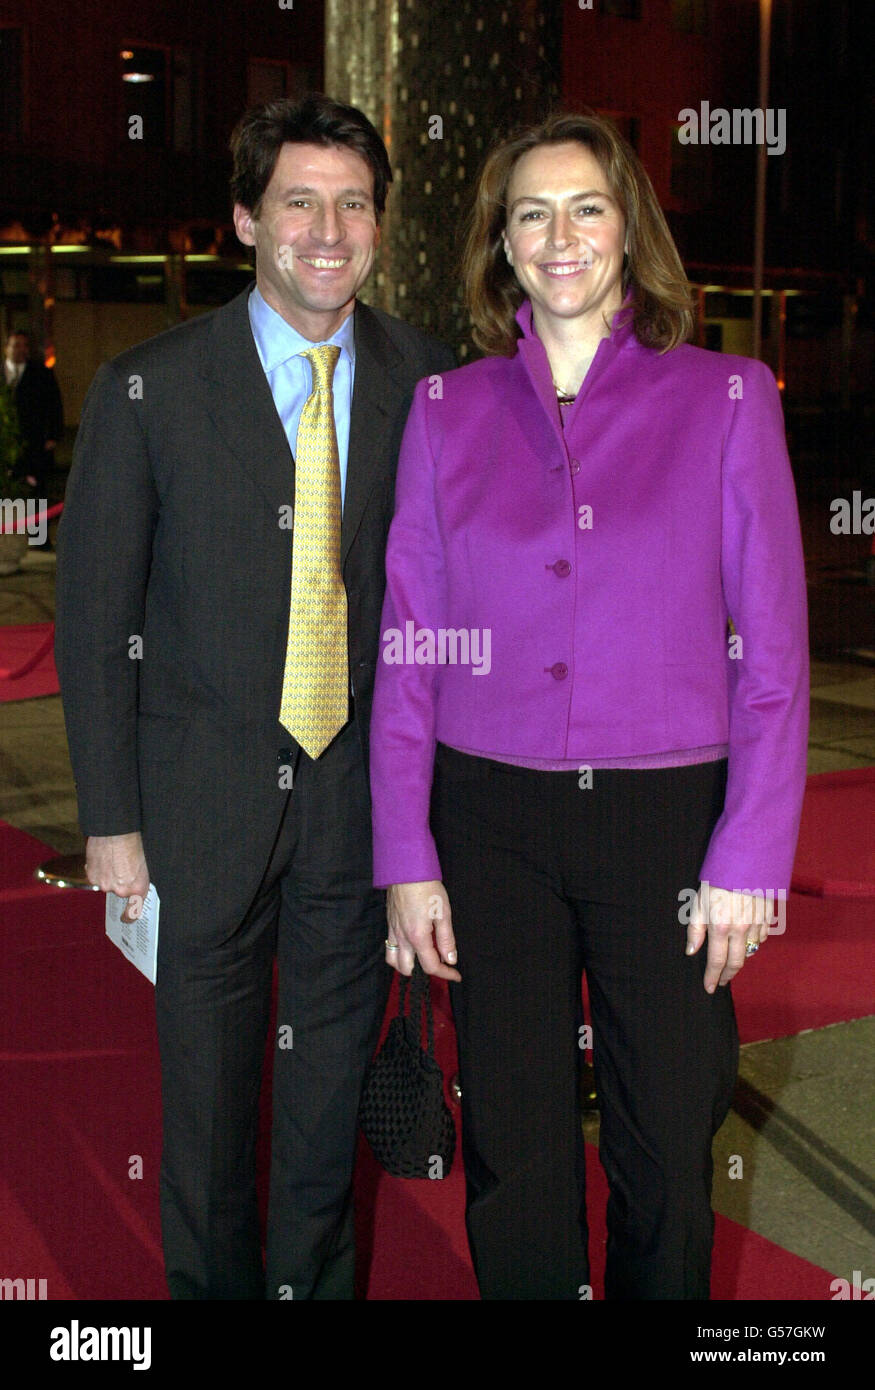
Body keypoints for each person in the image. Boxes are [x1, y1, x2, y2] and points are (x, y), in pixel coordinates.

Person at [369, 111, 809, 1300]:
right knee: (513, 1142)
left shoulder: (724, 397)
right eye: (530, 212)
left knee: (665, 1132)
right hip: (487, 820)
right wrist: (403, 853)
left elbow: (771, 649)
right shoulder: (446, 412)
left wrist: (750, 851)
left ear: (628, 230)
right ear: (500, 242)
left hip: (666, 823)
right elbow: (409, 645)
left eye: (585, 207)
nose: (558, 236)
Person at [55, 94, 454, 1300]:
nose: (328, 229)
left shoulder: (428, 383)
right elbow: (93, 620)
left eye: (353, 204)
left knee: (324, 1119)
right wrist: (112, 825)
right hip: (197, 813)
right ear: (245, 219)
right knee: (211, 1120)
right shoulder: (148, 391)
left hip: (355, 818)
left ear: (380, 224)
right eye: (298, 201)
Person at [4, 329, 63, 492]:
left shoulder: (41, 374)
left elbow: (55, 406)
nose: (21, 350)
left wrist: (53, 435)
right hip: (5, 444)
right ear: (6, 348)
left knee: (33, 492)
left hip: (33, 441)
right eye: (16, 345)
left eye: (25, 346)